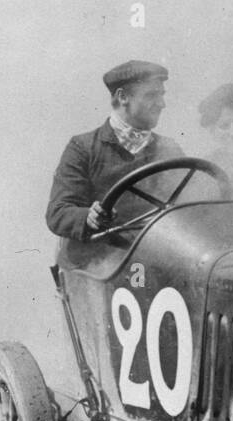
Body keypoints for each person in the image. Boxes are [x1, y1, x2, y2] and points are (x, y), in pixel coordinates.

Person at [46, 60, 185, 267]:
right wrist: (89, 217)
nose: (161, 103)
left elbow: (189, 205)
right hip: (100, 267)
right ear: (122, 97)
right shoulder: (82, 147)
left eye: (161, 95)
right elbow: (58, 212)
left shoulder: (169, 149)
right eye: (151, 95)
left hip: (157, 261)